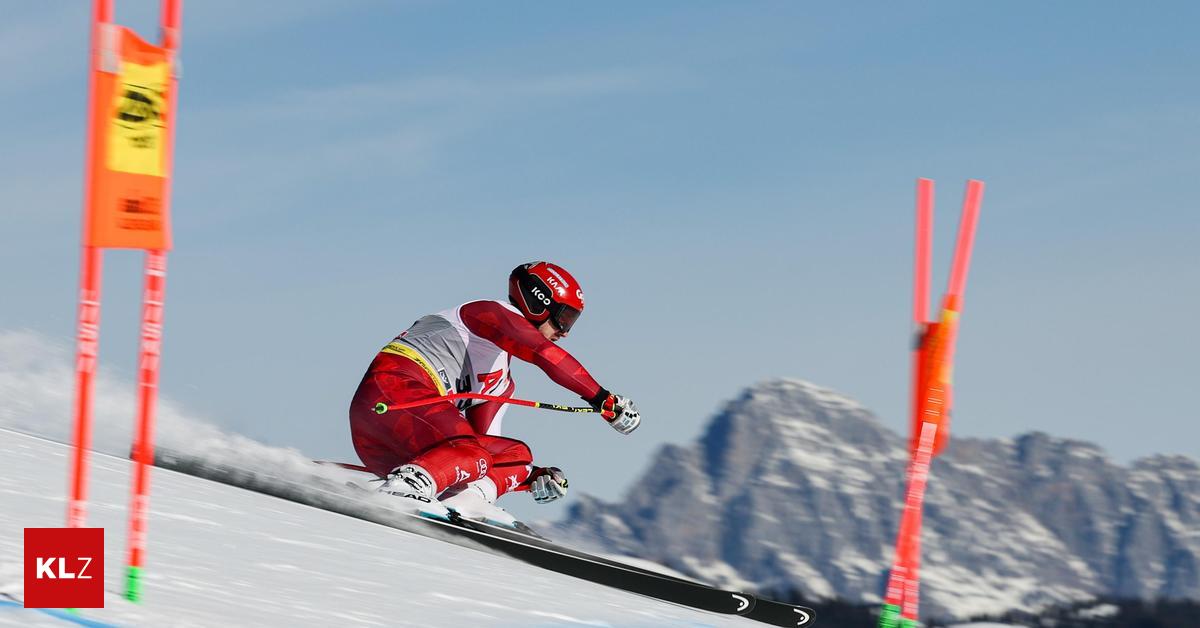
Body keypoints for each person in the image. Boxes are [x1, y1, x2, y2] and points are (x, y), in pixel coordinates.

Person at [347, 261, 640, 521]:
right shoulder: (489, 313)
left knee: (517, 454)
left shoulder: (500, 382)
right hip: (390, 397)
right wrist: (603, 399)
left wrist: (534, 476)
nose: (564, 332)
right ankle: (405, 486)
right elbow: (544, 354)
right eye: (563, 319)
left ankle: (467, 502)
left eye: (571, 323)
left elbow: (484, 452)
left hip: (399, 441)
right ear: (538, 302)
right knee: (472, 452)